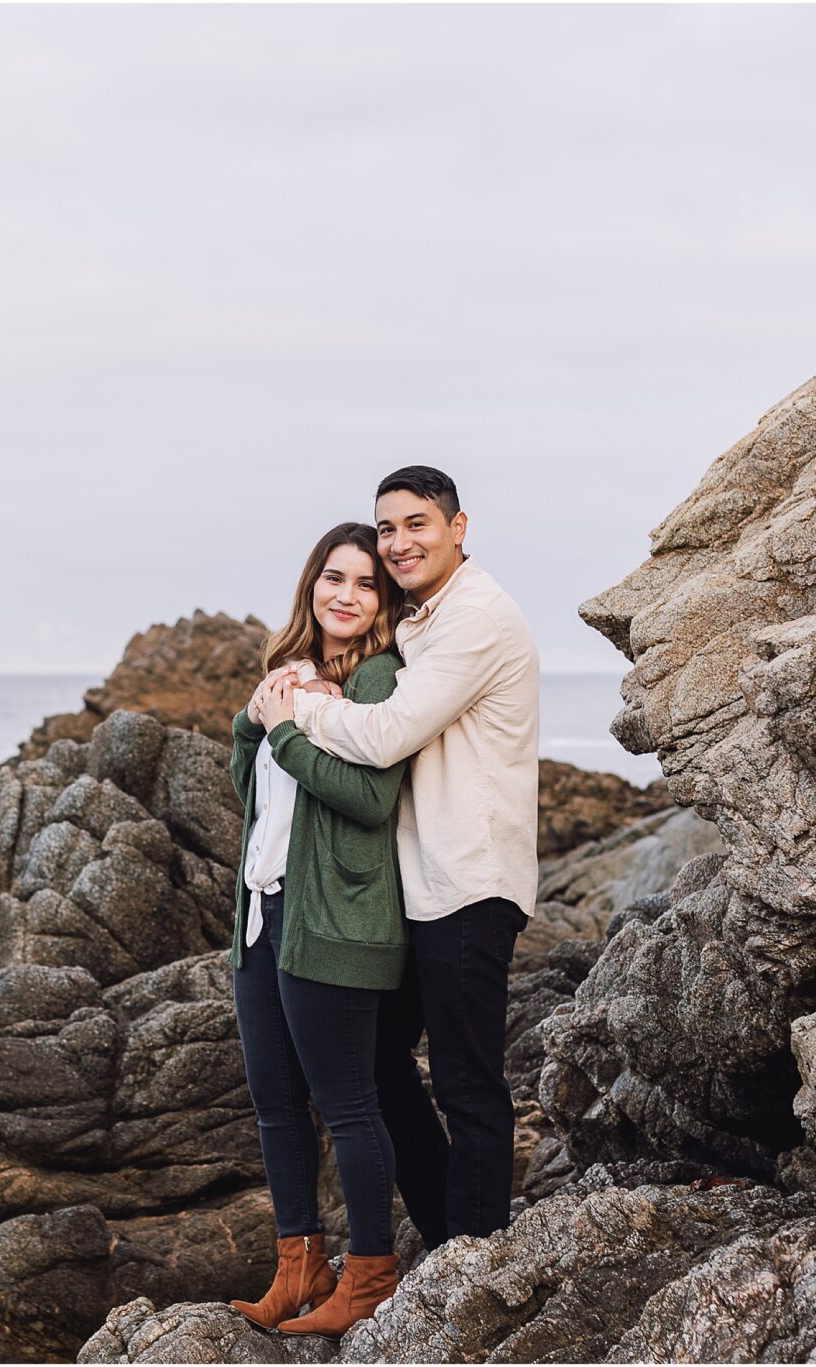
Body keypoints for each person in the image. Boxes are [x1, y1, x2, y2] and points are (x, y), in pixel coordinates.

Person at [257, 466, 538, 1248]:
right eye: (388, 528)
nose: (400, 541)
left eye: (417, 523)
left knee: (466, 1080)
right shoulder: (422, 620)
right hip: (422, 888)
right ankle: (450, 1230)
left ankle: (479, 1257)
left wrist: (298, 710)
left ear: (458, 527)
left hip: (472, 880)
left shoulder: (478, 619)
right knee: (379, 1058)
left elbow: (383, 736)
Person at [224, 522, 410, 1338]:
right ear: (311, 584)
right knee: (274, 1103)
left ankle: (369, 1275)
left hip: (333, 920)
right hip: (264, 912)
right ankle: (301, 1263)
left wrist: (290, 731)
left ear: (384, 600)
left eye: (366, 584)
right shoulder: (292, 674)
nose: (345, 594)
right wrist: (258, 716)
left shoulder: (380, 679)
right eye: (333, 577)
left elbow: (371, 802)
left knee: (349, 1104)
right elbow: (253, 792)